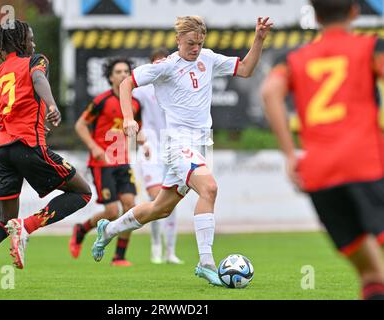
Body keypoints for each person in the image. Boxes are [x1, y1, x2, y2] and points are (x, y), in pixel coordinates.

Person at [91, 15, 272, 286]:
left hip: (199, 146)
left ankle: (109, 230)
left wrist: (258, 39)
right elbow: (127, 83)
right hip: (176, 144)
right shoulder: (165, 66)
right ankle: (206, 262)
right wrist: (128, 118)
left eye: (199, 43)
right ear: (178, 40)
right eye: (190, 43)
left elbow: (245, 69)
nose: (195, 48)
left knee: (159, 209)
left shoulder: (208, 59)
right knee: (209, 189)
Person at [0, 19, 92, 294]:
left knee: (2, 222)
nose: (33, 43)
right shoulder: (35, 60)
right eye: (30, 38)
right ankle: (26, 226)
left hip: (2, 152)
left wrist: (11, 120)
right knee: (82, 192)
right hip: (29, 146)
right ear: (21, 41)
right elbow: (38, 78)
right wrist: (50, 105)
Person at [261, 0, 384, 300]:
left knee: (370, 275)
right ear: (355, 11)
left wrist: (291, 154)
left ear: (315, 15)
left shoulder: (294, 58)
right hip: (367, 165)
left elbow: (269, 93)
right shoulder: (370, 47)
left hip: (320, 174)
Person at [69, 58, 141, 266]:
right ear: (110, 77)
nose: (122, 75)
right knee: (112, 212)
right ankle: (81, 229)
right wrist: (93, 147)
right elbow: (80, 125)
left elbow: (136, 130)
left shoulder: (135, 103)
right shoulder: (101, 101)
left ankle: (119, 257)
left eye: (126, 71)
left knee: (130, 207)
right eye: (118, 71)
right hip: (102, 163)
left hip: (122, 161)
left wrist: (141, 139)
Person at [133, 48, 183, 265]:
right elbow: (124, 97)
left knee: (171, 202)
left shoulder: (178, 86)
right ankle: (155, 246)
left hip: (173, 146)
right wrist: (136, 129)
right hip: (151, 146)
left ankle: (170, 251)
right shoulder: (143, 90)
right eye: (156, 63)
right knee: (156, 199)